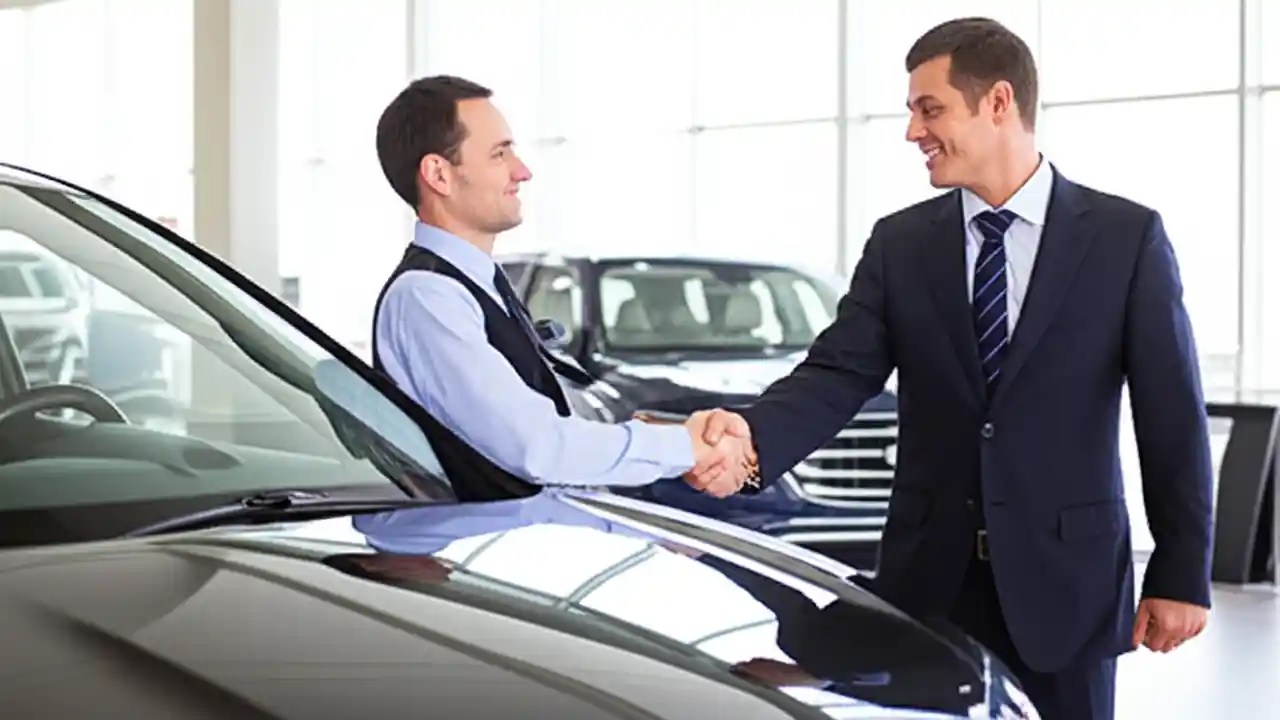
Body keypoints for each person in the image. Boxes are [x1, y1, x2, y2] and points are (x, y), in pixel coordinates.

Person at [686, 17, 1213, 720]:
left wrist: (1182, 571)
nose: (912, 132)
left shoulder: (1125, 238)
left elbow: (1171, 412)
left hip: (1068, 586)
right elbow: (837, 374)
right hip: (929, 584)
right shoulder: (902, 244)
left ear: (998, 103)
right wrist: (752, 440)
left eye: (928, 109)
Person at [370, 75, 751, 502]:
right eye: (499, 154)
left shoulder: (480, 283)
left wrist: (676, 439)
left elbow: (556, 420)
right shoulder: (427, 298)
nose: (523, 171)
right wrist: (687, 447)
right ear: (439, 173)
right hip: (483, 551)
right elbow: (536, 446)